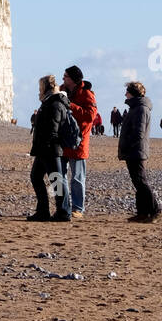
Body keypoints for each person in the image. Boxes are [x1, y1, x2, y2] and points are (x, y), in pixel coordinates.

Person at [28, 75, 72, 222]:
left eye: (41, 86)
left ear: (46, 87)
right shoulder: (49, 102)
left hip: (50, 149)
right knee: (37, 177)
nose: (39, 90)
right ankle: (43, 211)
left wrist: (45, 144)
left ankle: (63, 212)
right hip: (44, 149)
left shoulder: (55, 104)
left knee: (56, 181)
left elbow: (53, 129)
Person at [117, 79, 161, 222]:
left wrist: (128, 146)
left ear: (132, 94)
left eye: (127, 92)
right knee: (138, 182)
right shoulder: (136, 107)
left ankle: (156, 211)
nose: (125, 95)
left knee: (141, 182)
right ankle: (142, 213)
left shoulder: (141, 108)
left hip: (136, 151)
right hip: (133, 150)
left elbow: (138, 133)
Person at [61, 66, 97, 220]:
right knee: (58, 175)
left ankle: (78, 208)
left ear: (74, 79)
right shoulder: (61, 91)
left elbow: (90, 116)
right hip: (62, 141)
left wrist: (70, 105)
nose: (63, 79)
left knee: (77, 178)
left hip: (78, 142)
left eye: (66, 76)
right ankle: (61, 206)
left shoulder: (87, 94)